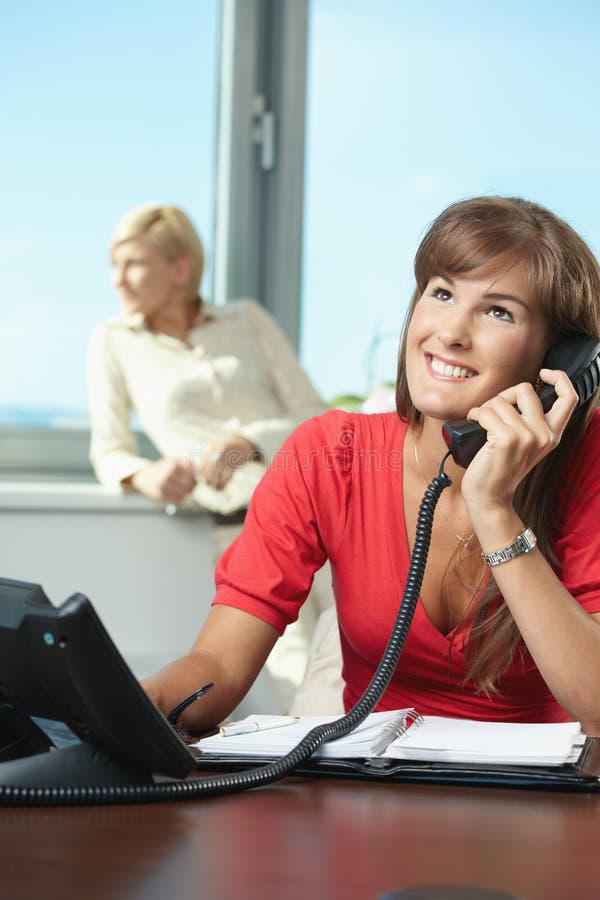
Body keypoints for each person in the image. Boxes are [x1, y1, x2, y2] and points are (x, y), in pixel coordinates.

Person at [142, 196, 600, 738]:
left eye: (498, 311)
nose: (451, 332)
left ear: (560, 359)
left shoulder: (588, 466)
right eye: (442, 292)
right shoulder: (329, 454)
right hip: (373, 794)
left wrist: (494, 508)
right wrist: (126, 701)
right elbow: (216, 668)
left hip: (551, 805)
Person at [87, 203, 333, 710]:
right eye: (114, 265)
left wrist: (249, 441)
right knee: (302, 688)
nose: (118, 280)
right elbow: (110, 451)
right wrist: (145, 475)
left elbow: (316, 416)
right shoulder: (113, 341)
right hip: (244, 531)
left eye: (132, 263)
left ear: (180, 269)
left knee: (377, 660)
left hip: (325, 511)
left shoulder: (247, 320)